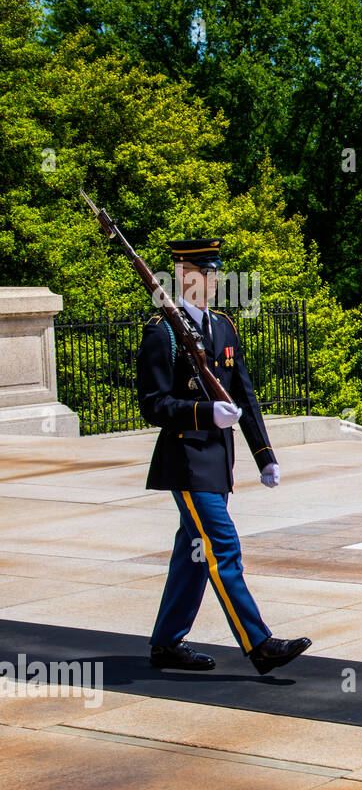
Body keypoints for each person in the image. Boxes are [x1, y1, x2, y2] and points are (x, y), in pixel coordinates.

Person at [136, 237, 311, 675]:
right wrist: (204, 412)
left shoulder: (224, 326)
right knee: (222, 545)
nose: (212, 280)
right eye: (203, 273)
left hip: (220, 461)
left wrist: (264, 453)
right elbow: (153, 404)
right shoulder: (162, 332)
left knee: (194, 551)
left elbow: (244, 395)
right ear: (181, 275)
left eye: (215, 273)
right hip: (186, 460)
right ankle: (259, 643)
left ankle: (166, 643)